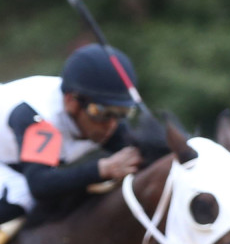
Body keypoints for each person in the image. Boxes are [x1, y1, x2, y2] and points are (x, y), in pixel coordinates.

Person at [0, 43, 144, 231]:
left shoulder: (103, 120)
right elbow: (40, 184)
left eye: (122, 112)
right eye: (102, 112)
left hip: (12, 161)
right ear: (71, 101)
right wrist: (102, 169)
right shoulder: (39, 117)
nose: (111, 125)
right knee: (21, 196)